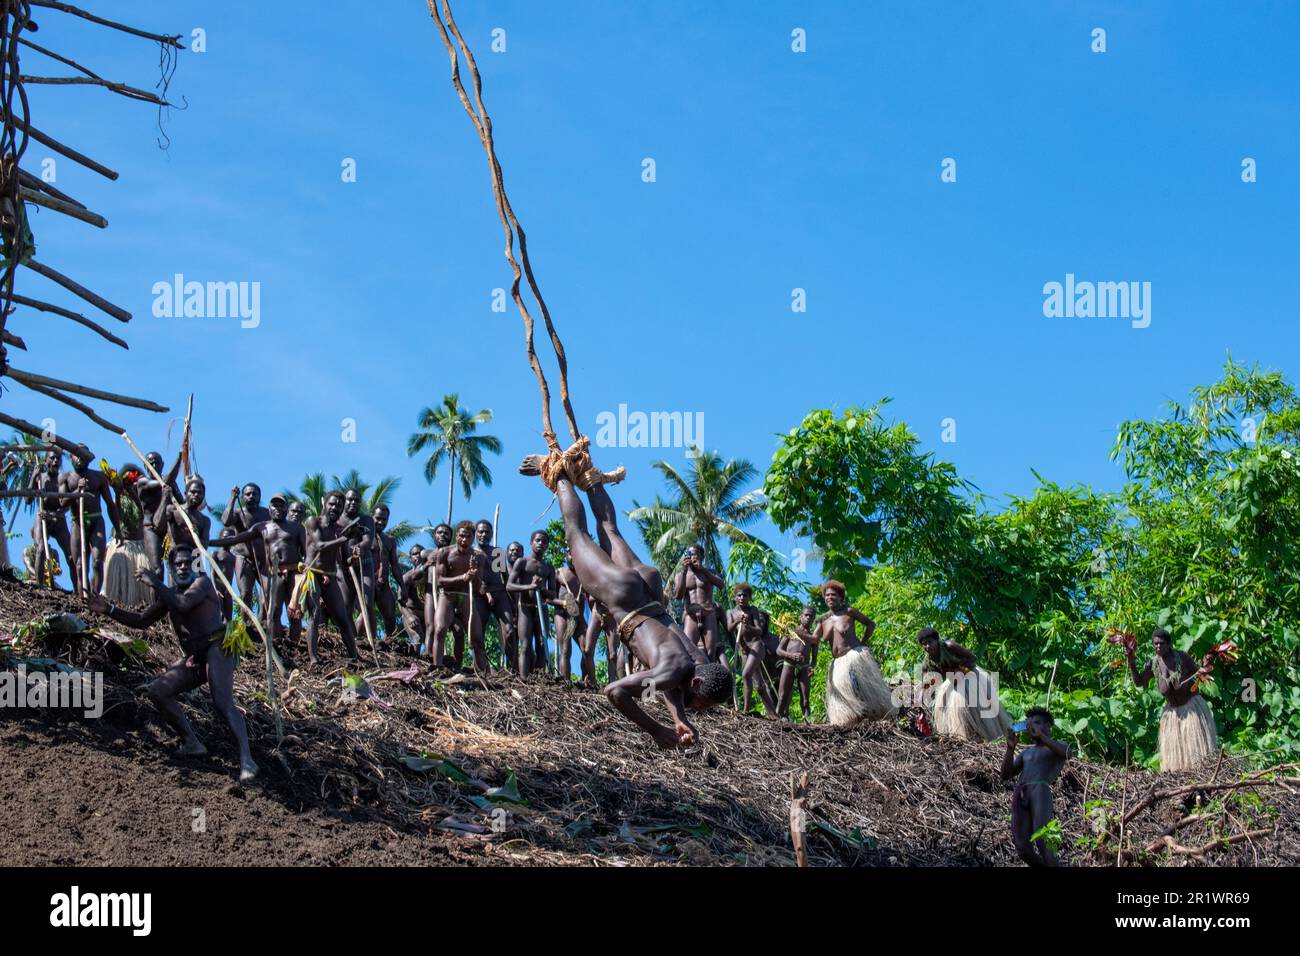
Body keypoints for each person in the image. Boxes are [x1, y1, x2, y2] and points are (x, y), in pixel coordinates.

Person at [519, 439, 731, 747]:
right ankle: (554, 470)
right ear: (698, 683)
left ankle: (590, 478)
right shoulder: (676, 672)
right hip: (625, 598)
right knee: (576, 533)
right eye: (702, 704)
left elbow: (670, 682)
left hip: (648, 587)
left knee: (609, 528)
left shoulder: (696, 661)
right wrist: (657, 731)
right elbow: (615, 691)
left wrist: (679, 719)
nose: (700, 709)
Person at [86, 548, 259, 782]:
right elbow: (142, 621)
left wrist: (156, 582)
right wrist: (109, 609)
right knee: (158, 691)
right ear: (171, 568)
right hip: (196, 657)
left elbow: (184, 605)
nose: (183, 567)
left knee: (222, 702)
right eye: (178, 564)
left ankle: (247, 760)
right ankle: (191, 742)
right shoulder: (170, 594)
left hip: (217, 649)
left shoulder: (202, 584)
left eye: (188, 563)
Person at [1124, 627, 1218, 772]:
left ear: (1168, 644)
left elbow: (1199, 673)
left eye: (1161, 643)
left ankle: (1201, 779)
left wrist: (1205, 664)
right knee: (1176, 762)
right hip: (1172, 714)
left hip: (1192, 708)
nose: (1158, 646)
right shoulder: (1153, 664)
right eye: (1155, 644)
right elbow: (1139, 682)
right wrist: (1132, 662)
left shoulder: (1182, 657)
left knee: (1197, 755)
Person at [816, 580, 896, 725]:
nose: (829, 598)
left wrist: (863, 643)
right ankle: (849, 720)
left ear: (841, 597)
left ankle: (871, 715)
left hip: (853, 656)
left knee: (858, 688)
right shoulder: (823, 620)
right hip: (837, 663)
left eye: (833, 595)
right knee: (842, 694)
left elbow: (871, 624)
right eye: (827, 595)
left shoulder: (849, 612)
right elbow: (814, 640)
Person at [1001, 708, 1069, 866]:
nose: (1033, 727)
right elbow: (1005, 775)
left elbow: (1067, 753)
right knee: (1023, 848)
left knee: (1042, 840)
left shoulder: (1055, 747)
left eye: (1037, 723)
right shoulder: (1026, 753)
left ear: (1047, 726)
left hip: (1039, 790)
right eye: (1030, 724)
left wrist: (1042, 737)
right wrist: (1010, 749)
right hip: (1021, 792)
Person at [918, 627, 1012, 741]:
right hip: (952, 682)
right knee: (949, 706)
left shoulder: (950, 646)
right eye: (924, 644)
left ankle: (988, 735)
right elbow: (926, 683)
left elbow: (973, 658)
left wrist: (960, 669)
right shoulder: (927, 662)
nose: (928, 646)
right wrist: (920, 700)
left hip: (970, 676)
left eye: (930, 642)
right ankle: (962, 736)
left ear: (937, 640)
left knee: (976, 709)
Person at [303, 491, 364, 665]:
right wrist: (345, 537)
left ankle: (354, 656)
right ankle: (313, 657)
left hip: (330, 576)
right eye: (332, 504)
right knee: (314, 614)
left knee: (343, 619)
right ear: (324, 504)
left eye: (338, 506)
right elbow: (320, 546)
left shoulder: (338, 530)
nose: (334, 508)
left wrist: (354, 556)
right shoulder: (313, 521)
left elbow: (345, 559)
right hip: (312, 573)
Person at [60, 449, 121, 596]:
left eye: (83, 456)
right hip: (77, 523)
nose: (80, 459)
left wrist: (118, 529)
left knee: (97, 561)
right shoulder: (66, 477)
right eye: (76, 455)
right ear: (71, 458)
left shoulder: (98, 477)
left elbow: (110, 504)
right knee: (80, 566)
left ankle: (94, 596)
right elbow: (62, 502)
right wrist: (77, 491)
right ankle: (83, 597)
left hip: (96, 521)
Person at [430, 520, 486, 672]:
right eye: (461, 536)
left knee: (477, 638)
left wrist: (474, 574)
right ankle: (438, 668)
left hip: (466, 596)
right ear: (456, 536)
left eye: (468, 537)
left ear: (473, 538)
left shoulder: (479, 557)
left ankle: (482, 673)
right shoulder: (444, 553)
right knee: (440, 630)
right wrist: (462, 577)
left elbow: (477, 587)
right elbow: (440, 581)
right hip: (447, 595)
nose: (464, 540)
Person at [508, 529, 557, 676]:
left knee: (542, 644)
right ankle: (524, 679)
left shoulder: (548, 568)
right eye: (538, 540)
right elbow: (509, 586)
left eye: (544, 541)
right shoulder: (522, 562)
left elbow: (553, 595)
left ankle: (540, 678)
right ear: (531, 543)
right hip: (525, 608)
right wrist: (529, 586)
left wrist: (542, 588)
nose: (540, 543)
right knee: (525, 645)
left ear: (547, 546)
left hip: (541, 609)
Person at [27, 450, 75, 589]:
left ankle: (78, 590)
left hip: (59, 521)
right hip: (42, 518)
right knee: (41, 550)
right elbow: (28, 500)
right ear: (46, 460)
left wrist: (58, 513)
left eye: (58, 459)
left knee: (71, 555)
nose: (55, 461)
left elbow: (68, 503)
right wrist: (33, 478)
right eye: (52, 458)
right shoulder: (40, 478)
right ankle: (40, 585)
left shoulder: (64, 479)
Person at [473, 519, 517, 669]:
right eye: (481, 531)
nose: (484, 534)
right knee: (478, 634)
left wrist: (511, 600)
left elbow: (504, 577)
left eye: (487, 532)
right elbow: (473, 578)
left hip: (499, 594)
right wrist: (485, 594)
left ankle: (512, 669)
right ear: (475, 534)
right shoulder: (471, 553)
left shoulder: (497, 553)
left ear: (491, 534)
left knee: (510, 631)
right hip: (480, 596)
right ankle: (481, 668)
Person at [727, 583, 776, 714]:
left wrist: (748, 625)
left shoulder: (753, 610)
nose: (742, 598)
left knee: (745, 675)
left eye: (745, 595)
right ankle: (773, 715)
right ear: (735, 597)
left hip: (756, 646)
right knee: (759, 684)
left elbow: (759, 630)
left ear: (749, 597)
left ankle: (746, 710)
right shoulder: (731, 613)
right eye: (739, 595)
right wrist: (737, 621)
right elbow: (729, 629)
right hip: (744, 651)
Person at [221, 482, 271, 613]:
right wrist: (232, 498)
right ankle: (245, 625)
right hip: (244, 558)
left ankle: (263, 622)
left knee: (268, 592)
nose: (251, 496)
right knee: (245, 594)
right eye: (248, 494)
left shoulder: (267, 514)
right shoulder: (238, 513)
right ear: (242, 497)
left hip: (262, 560)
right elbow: (226, 521)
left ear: (259, 497)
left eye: (254, 494)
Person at [672, 544, 726, 663]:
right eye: (689, 554)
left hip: (708, 612)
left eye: (695, 554)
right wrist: (685, 572)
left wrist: (702, 569)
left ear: (701, 556)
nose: (692, 557)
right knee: (689, 649)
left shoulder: (709, 572)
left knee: (711, 650)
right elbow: (678, 596)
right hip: (691, 614)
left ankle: (711, 675)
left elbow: (721, 585)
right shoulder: (681, 575)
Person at [775, 605, 819, 720]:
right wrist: (791, 656)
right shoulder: (791, 631)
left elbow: (814, 660)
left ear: (814, 619)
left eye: (811, 616)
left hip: (803, 667)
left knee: (805, 699)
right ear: (801, 617)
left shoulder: (813, 638)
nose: (808, 618)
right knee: (783, 697)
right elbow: (779, 650)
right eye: (806, 615)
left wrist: (811, 667)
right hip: (789, 665)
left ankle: (808, 722)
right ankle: (777, 720)